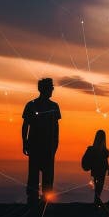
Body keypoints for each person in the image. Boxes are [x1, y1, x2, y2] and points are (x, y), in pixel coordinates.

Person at [22, 78, 61, 206]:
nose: (52, 90)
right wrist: (25, 142)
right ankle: (41, 200)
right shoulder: (52, 106)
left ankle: (37, 200)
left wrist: (25, 142)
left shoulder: (33, 105)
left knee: (38, 174)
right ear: (44, 89)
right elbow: (26, 125)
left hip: (40, 145)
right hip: (41, 145)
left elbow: (25, 125)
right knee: (44, 174)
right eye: (50, 88)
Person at [81, 130, 109, 205]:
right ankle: (97, 201)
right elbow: (105, 160)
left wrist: (108, 168)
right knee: (99, 186)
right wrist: (108, 168)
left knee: (98, 186)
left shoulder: (95, 150)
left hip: (97, 170)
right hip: (100, 170)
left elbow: (105, 160)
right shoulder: (102, 150)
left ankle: (96, 201)